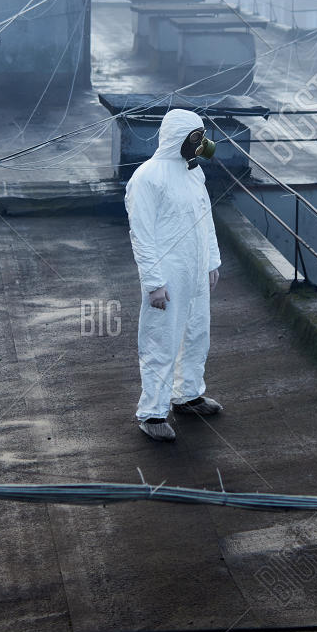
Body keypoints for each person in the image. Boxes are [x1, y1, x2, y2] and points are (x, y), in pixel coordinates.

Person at [124, 108, 224, 441]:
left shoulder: (193, 173)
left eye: (202, 136)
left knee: (197, 334)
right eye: (196, 137)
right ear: (177, 137)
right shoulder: (148, 177)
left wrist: (211, 259)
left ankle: (188, 395)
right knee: (161, 341)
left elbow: (205, 217)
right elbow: (142, 235)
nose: (202, 144)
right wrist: (153, 283)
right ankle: (152, 413)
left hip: (195, 272)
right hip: (167, 276)